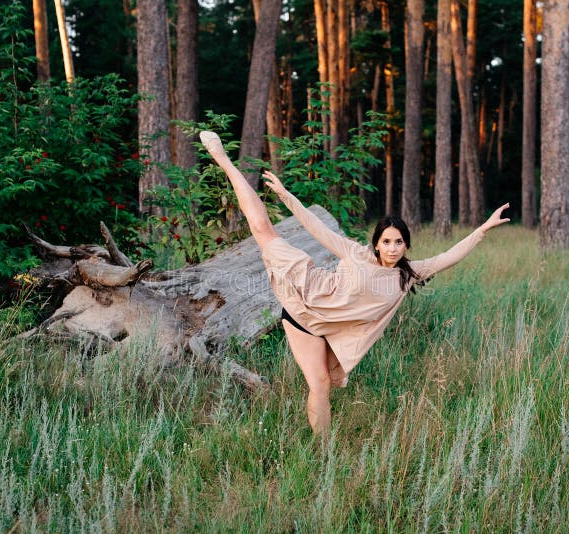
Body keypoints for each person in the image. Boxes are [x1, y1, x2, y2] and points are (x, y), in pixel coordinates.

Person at [199, 131, 510, 435]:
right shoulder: (355, 252)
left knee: (322, 385)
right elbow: (316, 226)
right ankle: (223, 158)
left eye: (398, 242)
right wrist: (285, 195)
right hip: (305, 303)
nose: (392, 248)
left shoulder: (408, 274)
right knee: (263, 228)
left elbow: (450, 256)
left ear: (406, 245)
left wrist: (482, 229)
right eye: (386, 241)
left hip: (334, 331)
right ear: (376, 243)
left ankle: (324, 457)